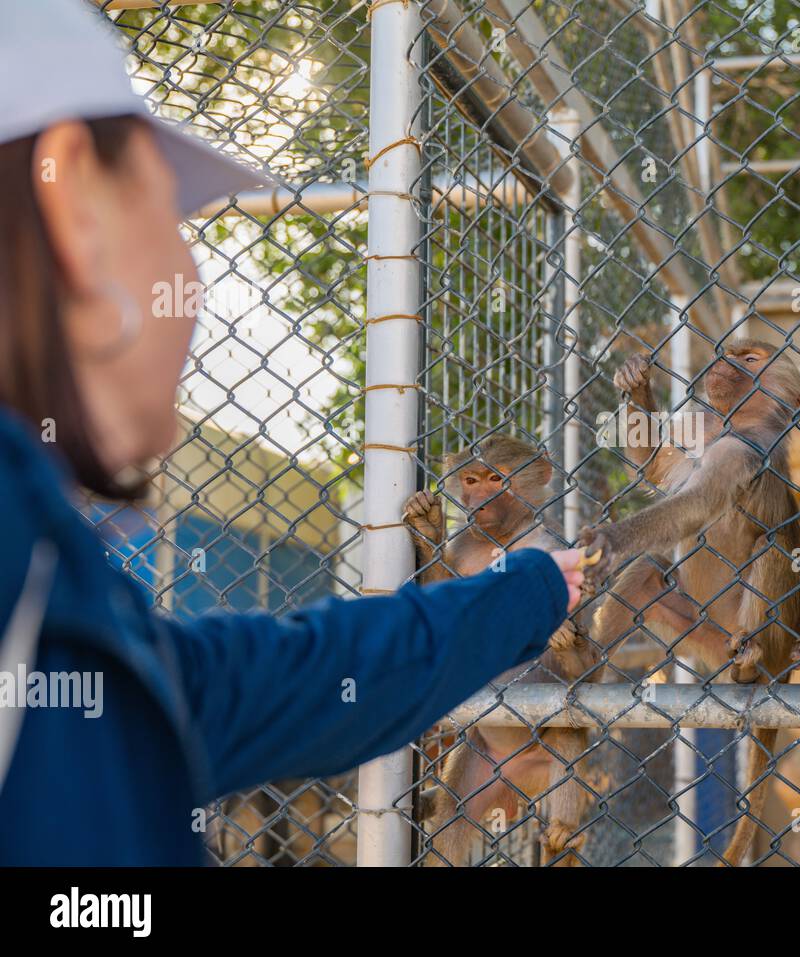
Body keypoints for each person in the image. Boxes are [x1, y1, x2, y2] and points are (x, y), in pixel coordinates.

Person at [0, 0, 585, 864]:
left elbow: (268, 682)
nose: (188, 272)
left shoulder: (55, 589)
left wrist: (526, 590)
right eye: (174, 218)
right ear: (78, 208)